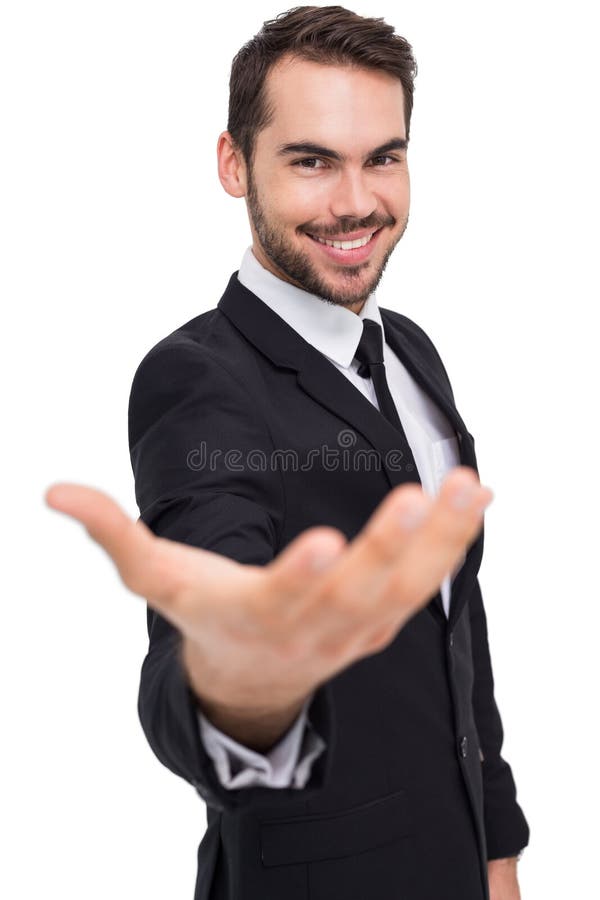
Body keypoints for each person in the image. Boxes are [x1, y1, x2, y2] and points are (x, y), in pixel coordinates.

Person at [45, 6, 529, 899]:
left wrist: (498, 851)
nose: (356, 202)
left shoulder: (411, 351)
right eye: (311, 161)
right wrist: (244, 683)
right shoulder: (198, 380)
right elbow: (203, 629)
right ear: (235, 164)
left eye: (382, 157)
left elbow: (458, 624)